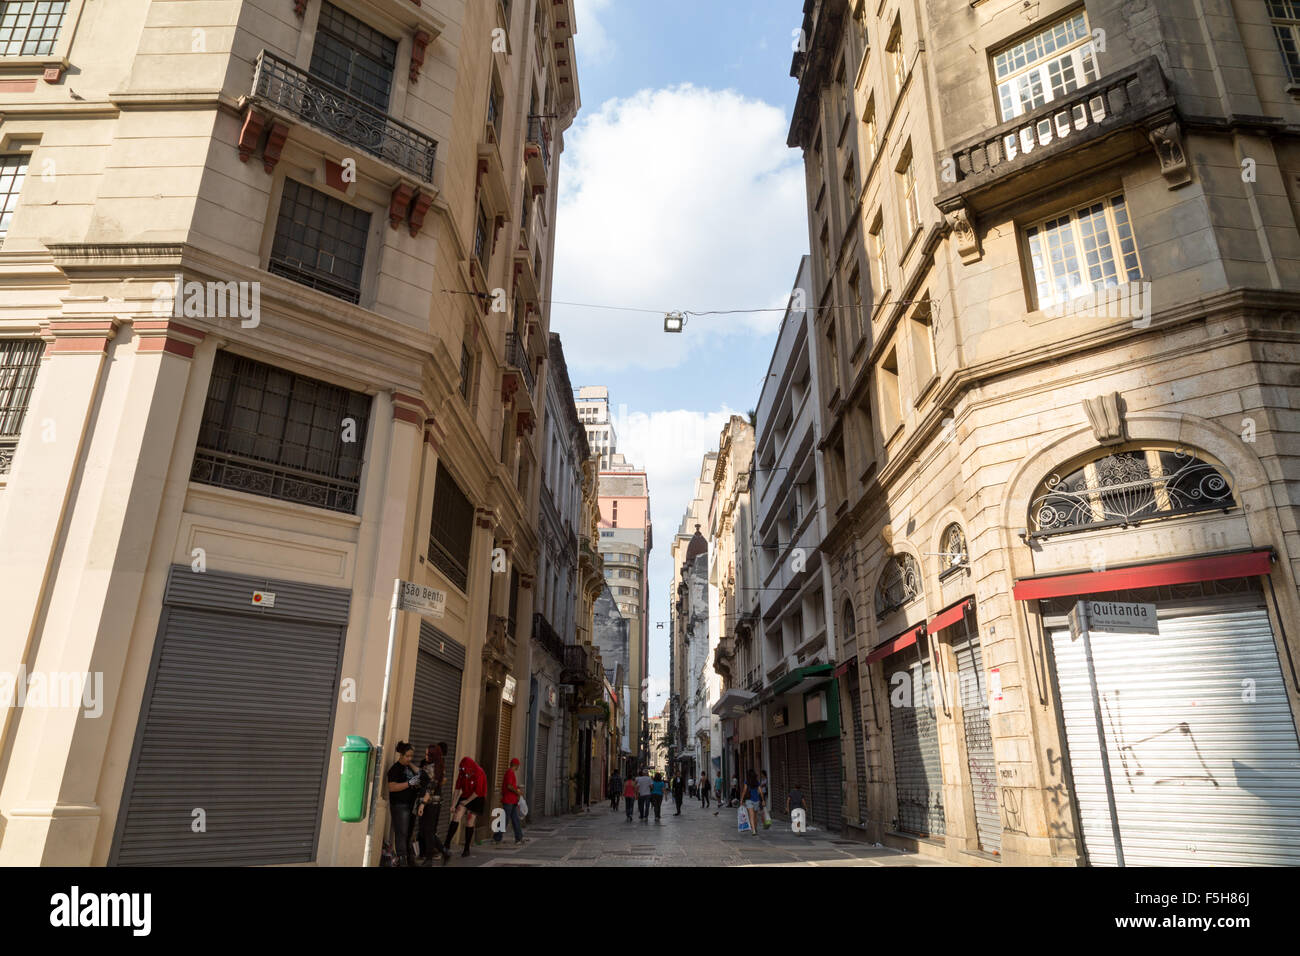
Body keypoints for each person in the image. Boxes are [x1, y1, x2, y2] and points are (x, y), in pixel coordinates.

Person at [445, 756, 487, 860]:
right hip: (466, 794)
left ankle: (467, 848)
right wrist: (453, 804)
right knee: (456, 816)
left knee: (470, 820)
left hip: (477, 797)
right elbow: (457, 789)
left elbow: (477, 792)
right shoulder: (462, 772)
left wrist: (466, 802)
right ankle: (446, 844)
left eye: (467, 772)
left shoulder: (479, 772)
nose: (466, 774)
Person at [386, 741, 420, 866]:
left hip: (410, 805)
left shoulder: (408, 767)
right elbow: (392, 787)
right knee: (401, 833)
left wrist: (410, 764)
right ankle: (402, 859)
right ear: (401, 755)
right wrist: (409, 783)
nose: (410, 758)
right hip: (400, 806)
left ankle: (409, 859)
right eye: (407, 756)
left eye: (412, 756)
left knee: (409, 833)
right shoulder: (394, 769)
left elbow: (422, 774)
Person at [415, 743, 450, 866]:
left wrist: (423, 803)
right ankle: (444, 852)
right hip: (435, 802)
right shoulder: (437, 766)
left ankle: (429, 858)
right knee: (427, 831)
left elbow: (431, 788)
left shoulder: (432, 768)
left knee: (428, 831)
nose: (425, 756)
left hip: (430, 803)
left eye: (428, 754)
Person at [494, 757, 525, 845]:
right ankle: (497, 837)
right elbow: (509, 786)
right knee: (505, 819)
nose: (518, 767)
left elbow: (511, 785)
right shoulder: (510, 773)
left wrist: (517, 790)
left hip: (512, 800)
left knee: (515, 819)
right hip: (509, 800)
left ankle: (519, 838)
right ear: (515, 765)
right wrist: (517, 792)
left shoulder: (510, 773)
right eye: (518, 765)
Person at [741, 769, 762, 836]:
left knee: (751, 816)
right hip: (756, 800)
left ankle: (753, 830)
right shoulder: (757, 782)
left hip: (749, 800)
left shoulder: (746, 781)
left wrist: (741, 799)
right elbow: (760, 791)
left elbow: (744, 790)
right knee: (755, 816)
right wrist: (763, 800)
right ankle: (755, 828)